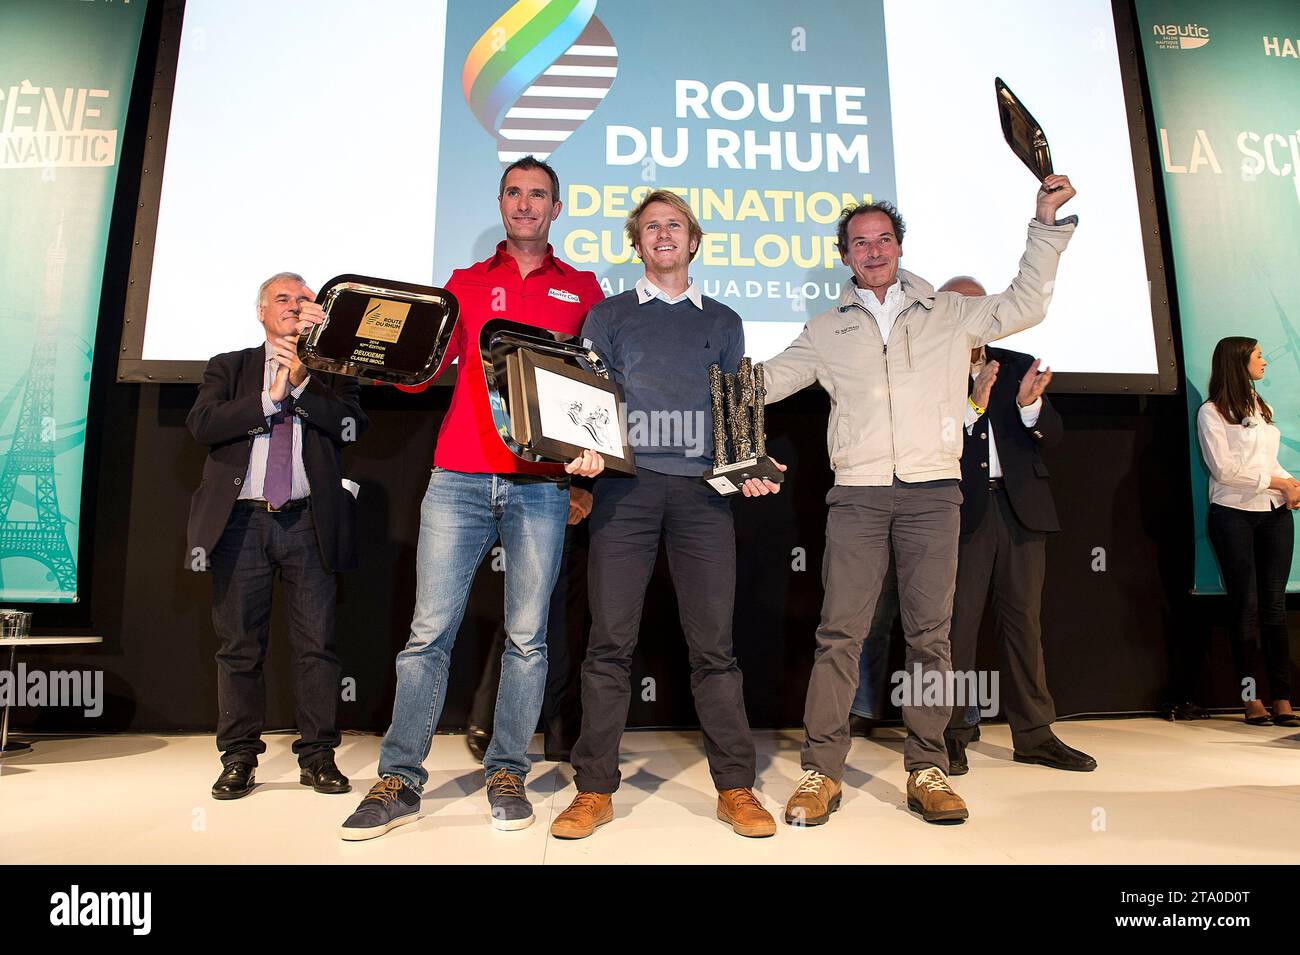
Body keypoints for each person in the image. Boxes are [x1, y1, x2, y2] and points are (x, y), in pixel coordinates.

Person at [761, 174, 1078, 825]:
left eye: (882, 239)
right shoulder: (827, 329)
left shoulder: (949, 313)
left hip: (934, 496)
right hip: (856, 499)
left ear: (898, 247)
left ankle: (927, 764)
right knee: (840, 634)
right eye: (859, 242)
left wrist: (1043, 223)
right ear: (845, 254)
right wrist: (680, 371)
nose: (872, 250)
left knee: (931, 637)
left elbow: (1026, 302)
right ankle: (822, 770)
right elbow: (760, 383)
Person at [340, 156, 605, 841]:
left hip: (540, 486)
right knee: (427, 634)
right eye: (515, 193)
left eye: (538, 194)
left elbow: (592, 395)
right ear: (501, 201)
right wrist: (367, 345)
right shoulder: (462, 284)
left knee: (527, 640)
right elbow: (418, 372)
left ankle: (507, 769)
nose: (525, 204)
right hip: (457, 477)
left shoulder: (582, 290)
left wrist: (581, 474)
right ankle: (398, 776)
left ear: (556, 207)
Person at [548, 190, 782, 840]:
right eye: (650, 226)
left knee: (715, 648)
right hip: (626, 492)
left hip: (705, 497)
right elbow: (584, 402)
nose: (662, 234)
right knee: (609, 645)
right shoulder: (608, 315)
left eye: (673, 224)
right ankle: (593, 789)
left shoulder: (726, 319)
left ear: (693, 238)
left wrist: (748, 465)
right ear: (638, 241)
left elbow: (737, 415)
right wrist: (582, 463)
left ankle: (736, 786)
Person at [187, 271, 367, 800]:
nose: (293, 305)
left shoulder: (335, 370)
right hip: (240, 523)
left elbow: (353, 429)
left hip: (309, 522)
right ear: (262, 312)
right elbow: (203, 426)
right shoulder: (230, 365)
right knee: (240, 647)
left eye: (305, 299)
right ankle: (239, 757)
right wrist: (271, 397)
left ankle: (317, 757)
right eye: (282, 299)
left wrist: (306, 382)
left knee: (317, 647)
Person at [940, 275, 1096, 774]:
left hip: (1021, 511)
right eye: (955, 305)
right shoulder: (927, 368)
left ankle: (1034, 734)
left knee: (1023, 625)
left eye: (976, 304)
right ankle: (949, 733)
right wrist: (973, 405)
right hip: (961, 513)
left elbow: (1052, 435)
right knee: (952, 631)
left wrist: (1030, 406)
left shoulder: (1018, 365)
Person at [1197, 336, 1300, 727]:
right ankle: (1251, 698)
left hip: (1274, 514)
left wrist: (1292, 484)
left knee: (1275, 608)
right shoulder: (1211, 413)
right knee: (1245, 608)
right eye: (1259, 355)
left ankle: (1284, 698)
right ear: (1238, 362)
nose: (1264, 361)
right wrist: (1280, 483)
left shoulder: (1262, 405)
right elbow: (1225, 471)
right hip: (1233, 515)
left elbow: (1269, 461)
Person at [465, 487, 591, 763]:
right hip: (541, 483)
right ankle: (489, 720)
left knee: (568, 616)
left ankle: (561, 729)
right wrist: (563, 487)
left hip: (602, 488)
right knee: (524, 613)